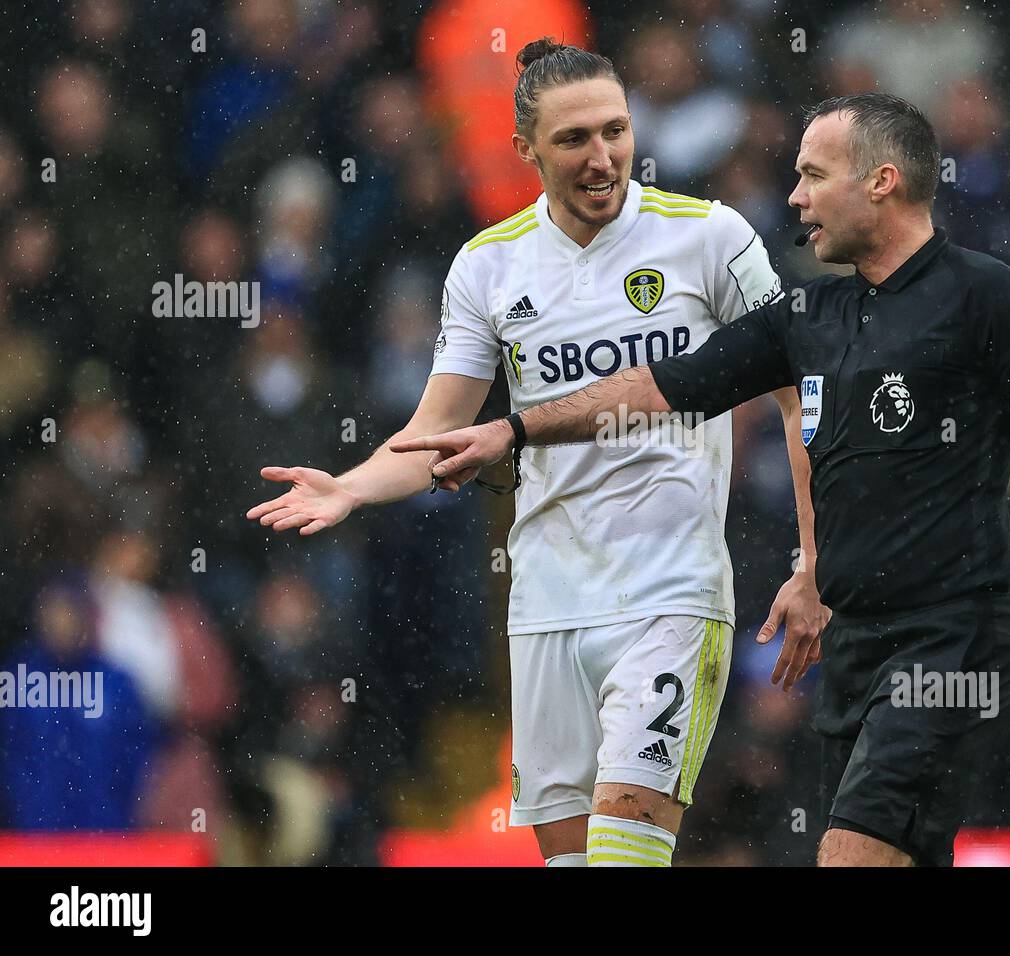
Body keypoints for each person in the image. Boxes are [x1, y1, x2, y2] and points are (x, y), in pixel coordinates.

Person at [391, 92, 1010, 867]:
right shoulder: (810, 313)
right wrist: (515, 427)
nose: (796, 196)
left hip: (951, 639)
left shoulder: (986, 295)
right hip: (852, 644)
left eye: (813, 176)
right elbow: (655, 387)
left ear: (880, 181)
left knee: (849, 857)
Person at [247, 39, 826, 868]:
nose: (602, 158)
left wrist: (812, 555)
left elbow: (798, 385)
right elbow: (436, 432)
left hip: (673, 592)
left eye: (615, 131)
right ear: (526, 150)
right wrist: (350, 488)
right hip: (548, 601)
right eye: (574, 140)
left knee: (628, 851)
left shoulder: (710, 237)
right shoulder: (488, 266)